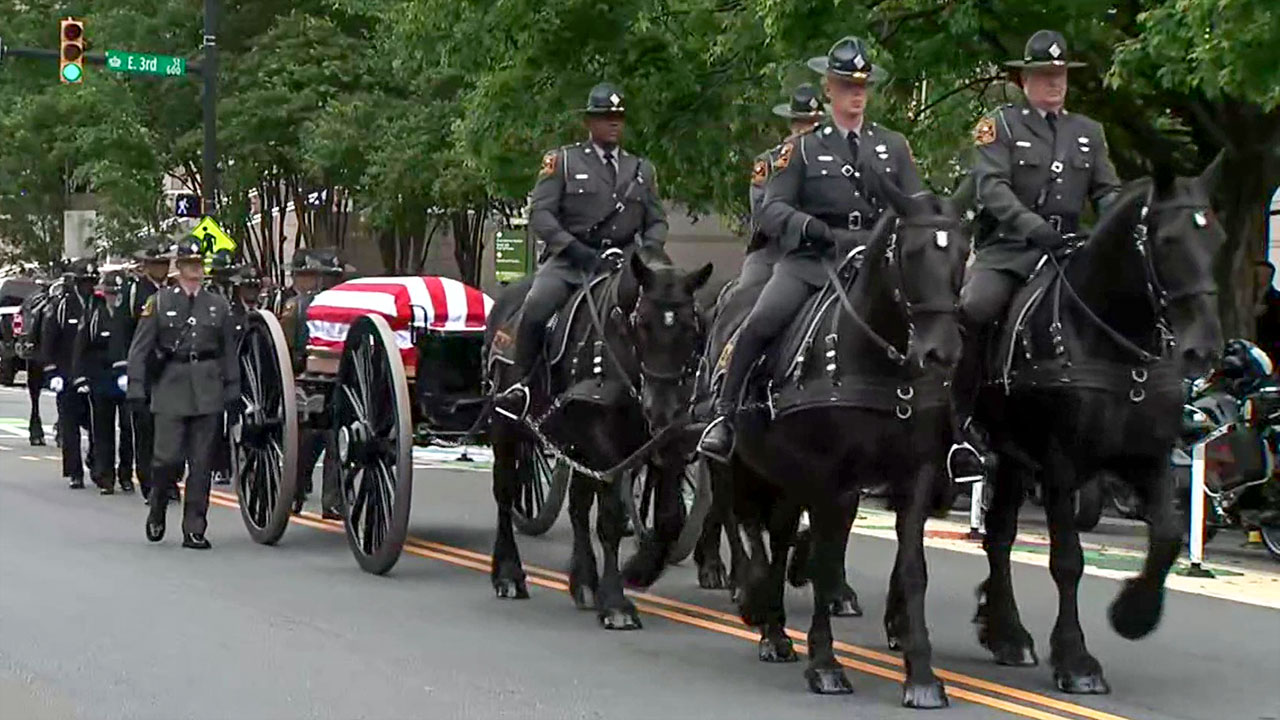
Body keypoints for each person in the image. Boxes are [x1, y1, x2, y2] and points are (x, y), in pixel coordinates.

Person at [699, 37, 923, 459]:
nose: (856, 93)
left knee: (936, 324)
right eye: (846, 85)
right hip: (812, 261)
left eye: (862, 85)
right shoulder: (799, 149)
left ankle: (947, 433)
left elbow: (916, 204)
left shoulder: (892, 146)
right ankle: (725, 416)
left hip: (877, 262)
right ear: (829, 90)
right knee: (762, 321)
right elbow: (770, 211)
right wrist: (808, 226)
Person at [950, 29, 1123, 480]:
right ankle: (962, 422)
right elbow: (992, 189)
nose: (1054, 83)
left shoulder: (1089, 132)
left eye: (1060, 74)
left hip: (1071, 249)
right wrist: (1035, 228)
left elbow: (1108, 190)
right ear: (1024, 81)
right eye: (1045, 75)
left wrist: (1120, 227)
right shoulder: (1001, 126)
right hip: (1010, 249)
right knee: (975, 308)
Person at [494, 82, 669, 418]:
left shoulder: (641, 170)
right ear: (590, 122)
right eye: (606, 117)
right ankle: (522, 385)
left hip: (625, 265)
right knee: (537, 304)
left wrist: (648, 252)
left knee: (667, 311)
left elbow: (656, 220)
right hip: (572, 262)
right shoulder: (562, 161)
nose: (614, 123)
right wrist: (576, 251)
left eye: (618, 117)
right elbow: (541, 215)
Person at [127, 238, 241, 549]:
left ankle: (195, 528)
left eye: (199, 265)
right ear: (178, 268)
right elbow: (140, 349)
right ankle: (158, 507)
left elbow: (228, 352)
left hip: (207, 388)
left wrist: (232, 388)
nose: (195, 271)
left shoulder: (218, 305)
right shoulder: (161, 302)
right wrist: (136, 387)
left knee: (202, 464)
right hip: (171, 387)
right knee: (167, 459)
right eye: (189, 265)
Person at [737, 84, 828, 295]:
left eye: (813, 125)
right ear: (792, 125)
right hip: (773, 250)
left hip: (820, 252)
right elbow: (762, 211)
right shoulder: (767, 162)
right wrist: (803, 225)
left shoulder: (832, 164)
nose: (806, 131)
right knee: (746, 297)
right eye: (802, 124)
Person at [121, 241, 175, 502]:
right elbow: (125, 331)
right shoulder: (136, 292)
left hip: (169, 370)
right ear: (146, 266)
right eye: (156, 264)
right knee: (145, 431)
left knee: (172, 430)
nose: (161, 268)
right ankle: (148, 481)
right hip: (146, 367)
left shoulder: (173, 292)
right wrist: (127, 370)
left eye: (164, 263)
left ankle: (171, 480)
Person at [72, 272, 135, 494]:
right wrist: (80, 376)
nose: (113, 297)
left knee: (128, 428)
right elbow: (82, 346)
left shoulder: (129, 316)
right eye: (109, 293)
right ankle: (105, 476)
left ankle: (126, 474)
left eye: (117, 293)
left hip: (126, 379)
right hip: (101, 379)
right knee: (102, 429)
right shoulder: (94, 315)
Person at [41, 258, 99, 489]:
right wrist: (51, 371)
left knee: (97, 423)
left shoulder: (99, 304)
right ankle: (74, 471)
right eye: (84, 281)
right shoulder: (62, 306)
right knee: (69, 424)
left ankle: (96, 461)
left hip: (92, 373)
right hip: (65, 372)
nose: (89, 286)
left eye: (92, 282)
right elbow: (49, 340)